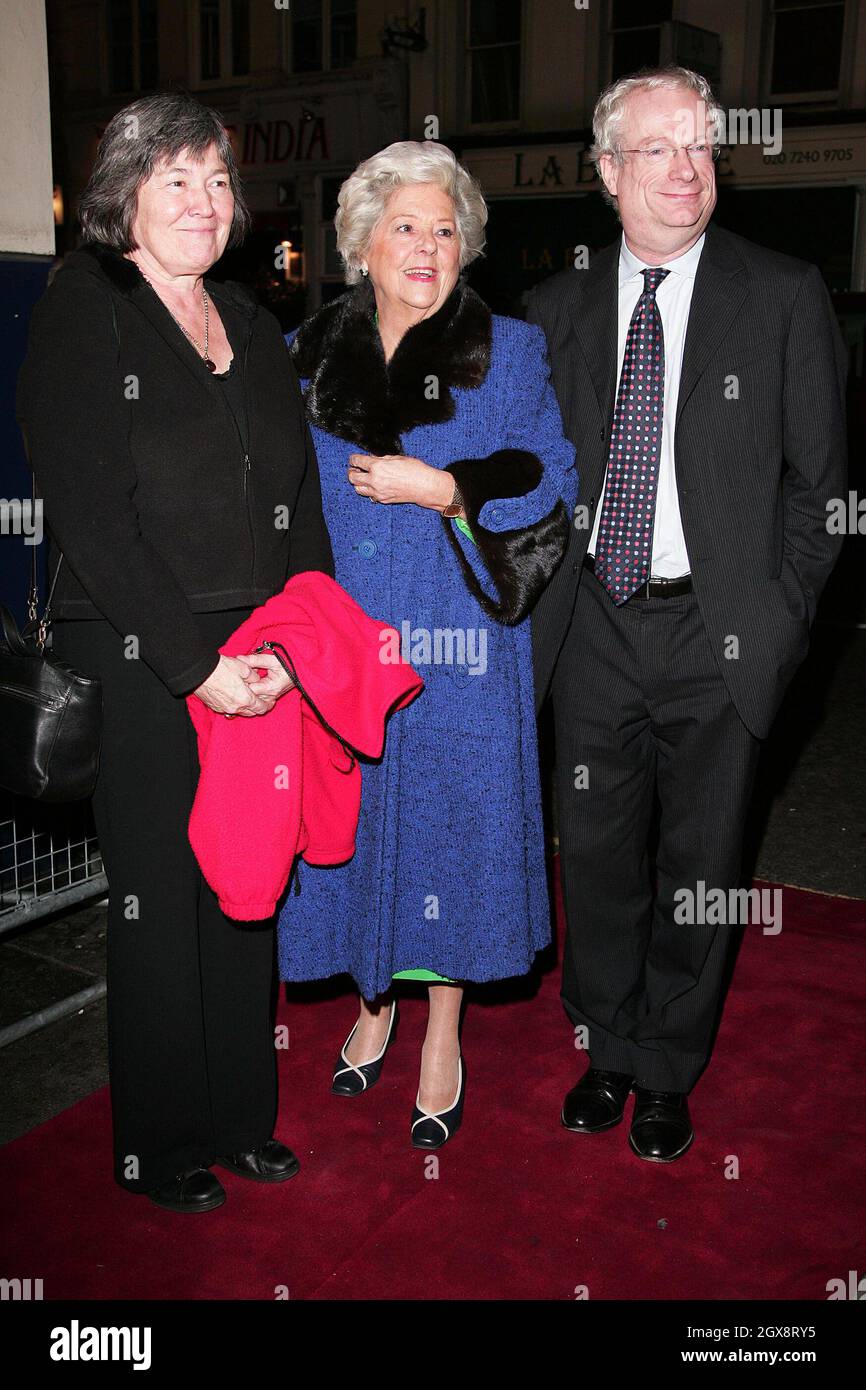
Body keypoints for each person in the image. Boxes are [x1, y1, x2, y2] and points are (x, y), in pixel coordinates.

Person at [16, 93, 334, 1212]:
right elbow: (95, 520)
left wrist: (304, 635)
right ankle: (161, 1142)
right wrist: (197, 667)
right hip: (147, 655)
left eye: (216, 182)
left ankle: (243, 1118)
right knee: (161, 897)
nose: (203, 202)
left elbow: (294, 497)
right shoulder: (83, 307)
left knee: (247, 891)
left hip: (260, 648)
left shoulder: (248, 317)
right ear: (123, 194)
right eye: (175, 180)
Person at [529, 66, 848, 1161]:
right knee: (600, 855)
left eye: (699, 148)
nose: (685, 170)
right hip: (590, 626)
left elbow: (820, 491)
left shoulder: (781, 292)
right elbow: (520, 478)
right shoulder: (555, 309)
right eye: (656, 149)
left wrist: (778, 612)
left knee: (703, 866)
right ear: (608, 173)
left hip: (716, 632)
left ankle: (667, 1066)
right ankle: (605, 1048)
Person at [276, 140, 577, 1148]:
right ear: (360, 242)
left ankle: (441, 1030)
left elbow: (548, 476)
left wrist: (447, 489)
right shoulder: (304, 355)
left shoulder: (510, 349)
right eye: (403, 224)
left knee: (447, 832)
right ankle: (374, 998)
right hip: (345, 644)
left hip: (457, 644)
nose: (425, 244)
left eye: (444, 228)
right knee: (358, 827)